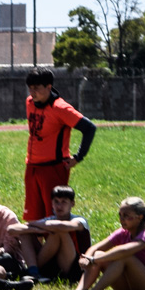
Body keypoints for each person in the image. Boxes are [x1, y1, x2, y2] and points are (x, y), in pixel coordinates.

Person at [55, 197, 145, 290]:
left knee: (124, 257)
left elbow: (125, 251)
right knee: (99, 254)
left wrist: (95, 259)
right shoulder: (123, 232)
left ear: (140, 217)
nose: (122, 219)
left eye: (126, 216)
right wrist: (87, 258)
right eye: (120, 215)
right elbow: (96, 248)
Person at [22, 68, 96, 221]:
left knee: (54, 217)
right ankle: (36, 245)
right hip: (32, 166)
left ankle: (57, 245)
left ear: (49, 87)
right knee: (33, 216)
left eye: (37, 88)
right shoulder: (30, 103)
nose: (32, 92)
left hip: (53, 168)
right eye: (30, 88)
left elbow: (89, 128)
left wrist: (78, 157)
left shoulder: (60, 108)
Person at [11, 185, 91, 283]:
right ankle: (33, 272)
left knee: (59, 231)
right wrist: (36, 229)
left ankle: (40, 273)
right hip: (51, 263)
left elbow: (62, 226)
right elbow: (12, 229)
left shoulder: (79, 220)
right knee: (24, 234)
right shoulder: (49, 220)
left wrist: (34, 224)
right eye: (56, 202)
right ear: (51, 204)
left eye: (64, 202)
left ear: (72, 204)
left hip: (74, 267)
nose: (59, 206)